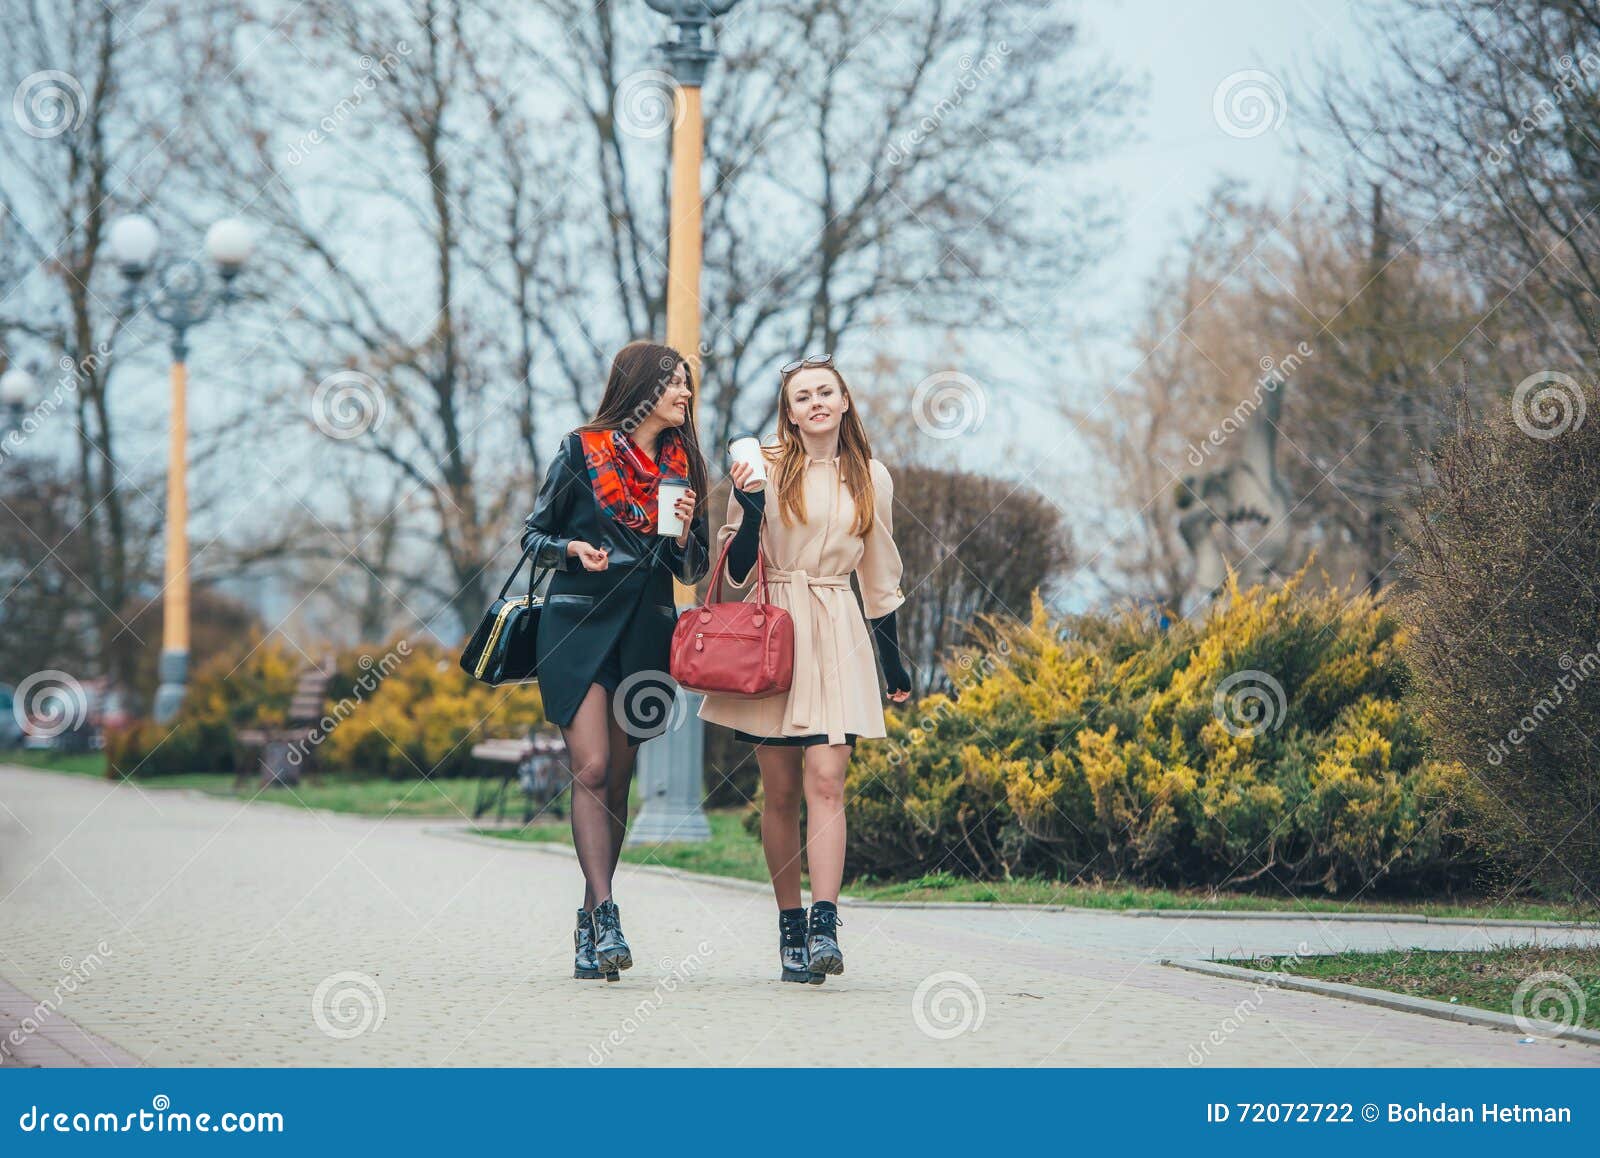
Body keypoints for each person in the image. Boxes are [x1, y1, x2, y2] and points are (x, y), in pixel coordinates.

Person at [698, 353, 912, 983]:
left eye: (826, 392)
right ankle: (789, 924)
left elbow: (880, 573)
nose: (816, 402)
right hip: (776, 628)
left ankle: (825, 921)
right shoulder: (760, 466)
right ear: (788, 413)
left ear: (844, 401)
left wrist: (892, 661)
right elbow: (736, 571)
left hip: (838, 624)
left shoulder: (873, 476)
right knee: (783, 790)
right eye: (802, 396)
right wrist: (751, 505)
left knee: (828, 778)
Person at [521, 341, 710, 981]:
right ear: (642, 389)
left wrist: (685, 534)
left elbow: (692, 568)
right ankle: (607, 913)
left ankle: (586, 926)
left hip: (645, 633)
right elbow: (532, 536)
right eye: (677, 384)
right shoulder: (581, 449)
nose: (686, 395)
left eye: (688, 385)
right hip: (576, 625)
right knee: (593, 768)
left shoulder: (686, 464)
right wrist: (573, 548)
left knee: (619, 780)